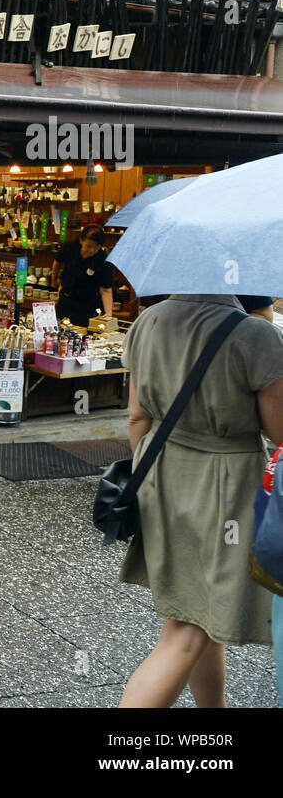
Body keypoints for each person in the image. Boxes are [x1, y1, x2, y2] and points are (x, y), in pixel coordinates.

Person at [118, 292, 283, 707]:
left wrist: (144, 482)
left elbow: (138, 416)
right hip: (225, 486)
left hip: (160, 469)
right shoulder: (255, 334)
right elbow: (279, 431)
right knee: (186, 632)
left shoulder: (149, 319)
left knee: (196, 614)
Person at [51, 223, 114, 326]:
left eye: (96, 247)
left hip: (88, 306)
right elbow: (57, 262)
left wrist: (108, 315)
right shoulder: (69, 248)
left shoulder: (103, 260)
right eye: (89, 246)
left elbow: (106, 290)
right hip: (66, 301)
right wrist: (54, 280)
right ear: (81, 240)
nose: (92, 250)